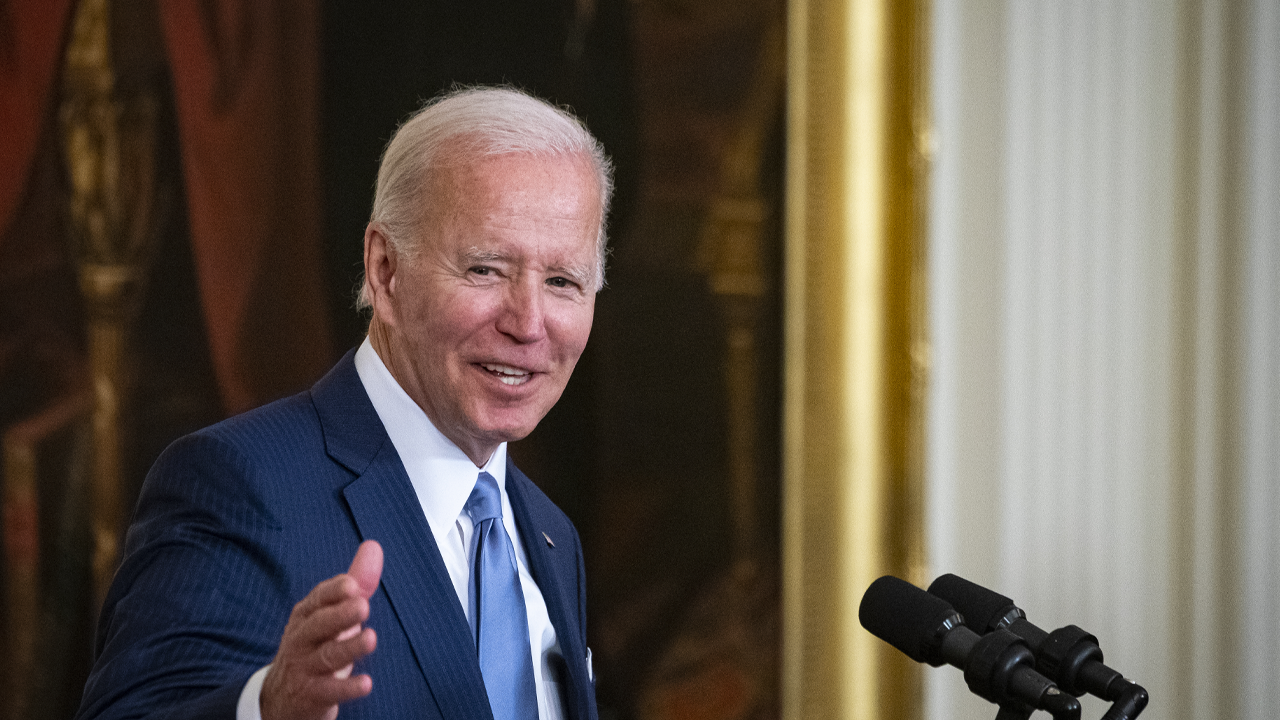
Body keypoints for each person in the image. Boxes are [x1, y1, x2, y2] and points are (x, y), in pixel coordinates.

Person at [75, 86, 612, 720]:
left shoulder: (550, 534)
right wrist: (264, 708)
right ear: (385, 271)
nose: (528, 324)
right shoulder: (239, 485)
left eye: (563, 281)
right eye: (485, 269)